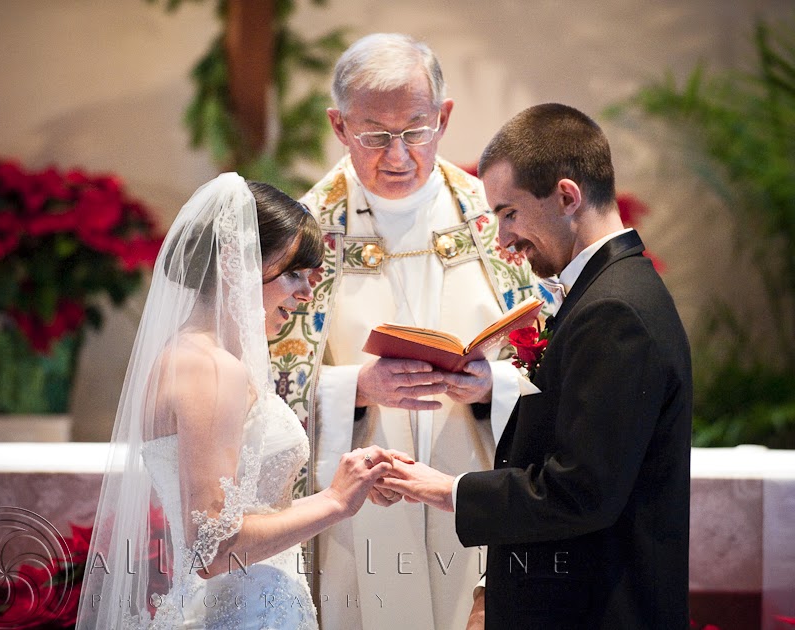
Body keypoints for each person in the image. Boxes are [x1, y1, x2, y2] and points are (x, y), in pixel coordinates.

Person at [378, 103, 693, 629]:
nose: (503, 239)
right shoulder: (604, 292)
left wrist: (441, 488)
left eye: (509, 213)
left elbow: (579, 491)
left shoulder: (615, 310)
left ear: (567, 196)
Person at [271, 33, 547, 630]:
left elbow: (553, 359)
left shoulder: (495, 220)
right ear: (339, 127)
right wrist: (356, 388)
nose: (397, 156)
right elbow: (262, 387)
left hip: (472, 488)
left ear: (443, 118)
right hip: (357, 507)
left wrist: (491, 384)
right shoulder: (302, 236)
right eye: (374, 135)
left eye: (415, 131)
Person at [76, 174, 397, 629]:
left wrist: (343, 490)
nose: (307, 294)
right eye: (293, 274)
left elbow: (251, 518)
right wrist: (335, 505)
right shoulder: (211, 369)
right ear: (235, 262)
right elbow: (213, 546)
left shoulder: (193, 356)